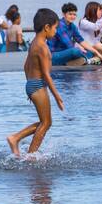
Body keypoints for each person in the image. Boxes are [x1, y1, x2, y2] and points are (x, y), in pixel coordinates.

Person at [6, 8, 65, 158]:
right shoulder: (43, 47)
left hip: (32, 85)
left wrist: (30, 87)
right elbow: (46, 74)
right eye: (55, 27)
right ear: (46, 27)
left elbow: (26, 66)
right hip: (38, 85)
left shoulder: (34, 43)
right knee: (46, 123)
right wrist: (57, 96)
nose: (56, 31)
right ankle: (30, 155)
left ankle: (17, 139)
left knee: (45, 122)